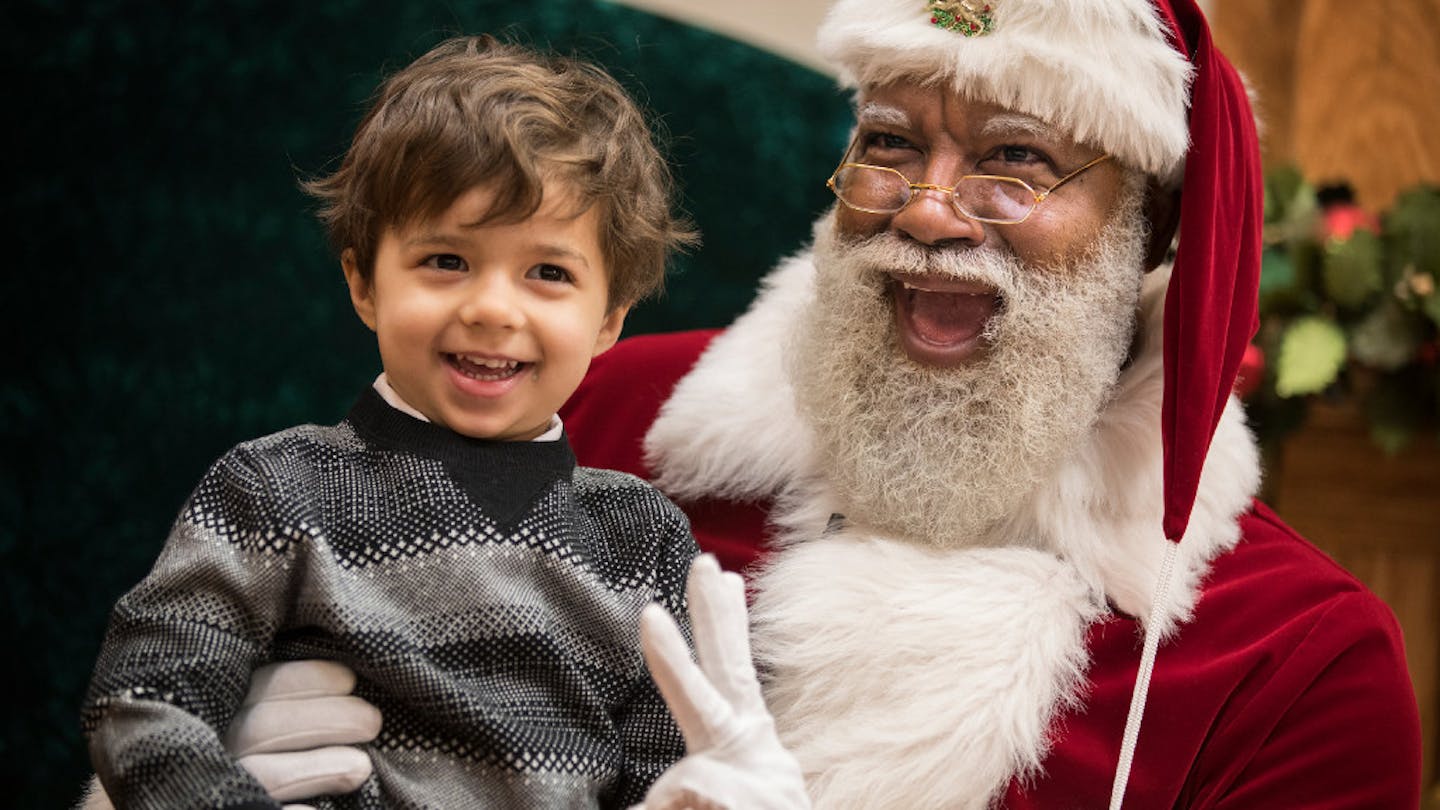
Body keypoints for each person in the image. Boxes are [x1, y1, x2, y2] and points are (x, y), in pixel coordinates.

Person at [94, 0, 1425, 807]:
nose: (928, 209)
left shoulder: (1299, 667)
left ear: (1152, 230)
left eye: (1017, 161)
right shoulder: (609, 414)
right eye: (889, 143)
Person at [80, 35, 698, 809]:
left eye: (548, 272)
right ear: (364, 283)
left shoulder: (642, 539)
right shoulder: (276, 488)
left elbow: (672, 775)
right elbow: (143, 700)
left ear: (608, 320)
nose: (491, 308)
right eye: (447, 260)